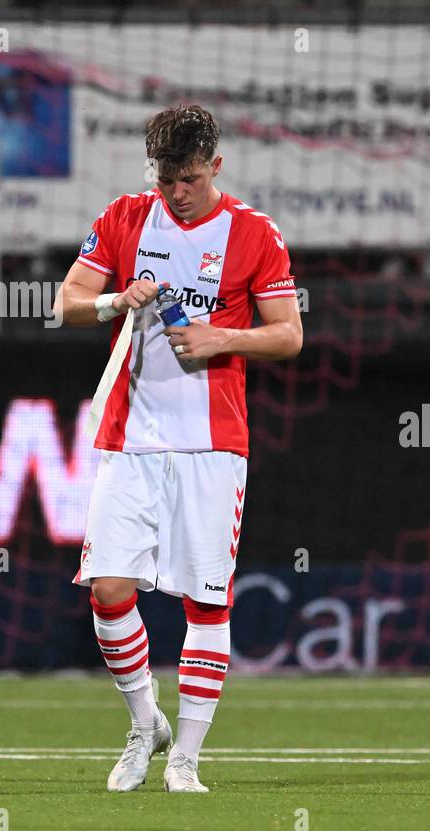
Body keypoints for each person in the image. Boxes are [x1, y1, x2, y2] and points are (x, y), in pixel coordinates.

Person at [53, 104, 302, 793]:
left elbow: (289, 334)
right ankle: (145, 725)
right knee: (107, 588)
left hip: (211, 446)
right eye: (166, 179)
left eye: (188, 179)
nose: (176, 192)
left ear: (215, 167)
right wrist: (113, 302)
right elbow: (66, 299)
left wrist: (226, 338)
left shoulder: (254, 234)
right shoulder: (126, 217)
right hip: (128, 437)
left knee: (206, 602)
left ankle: (187, 758)